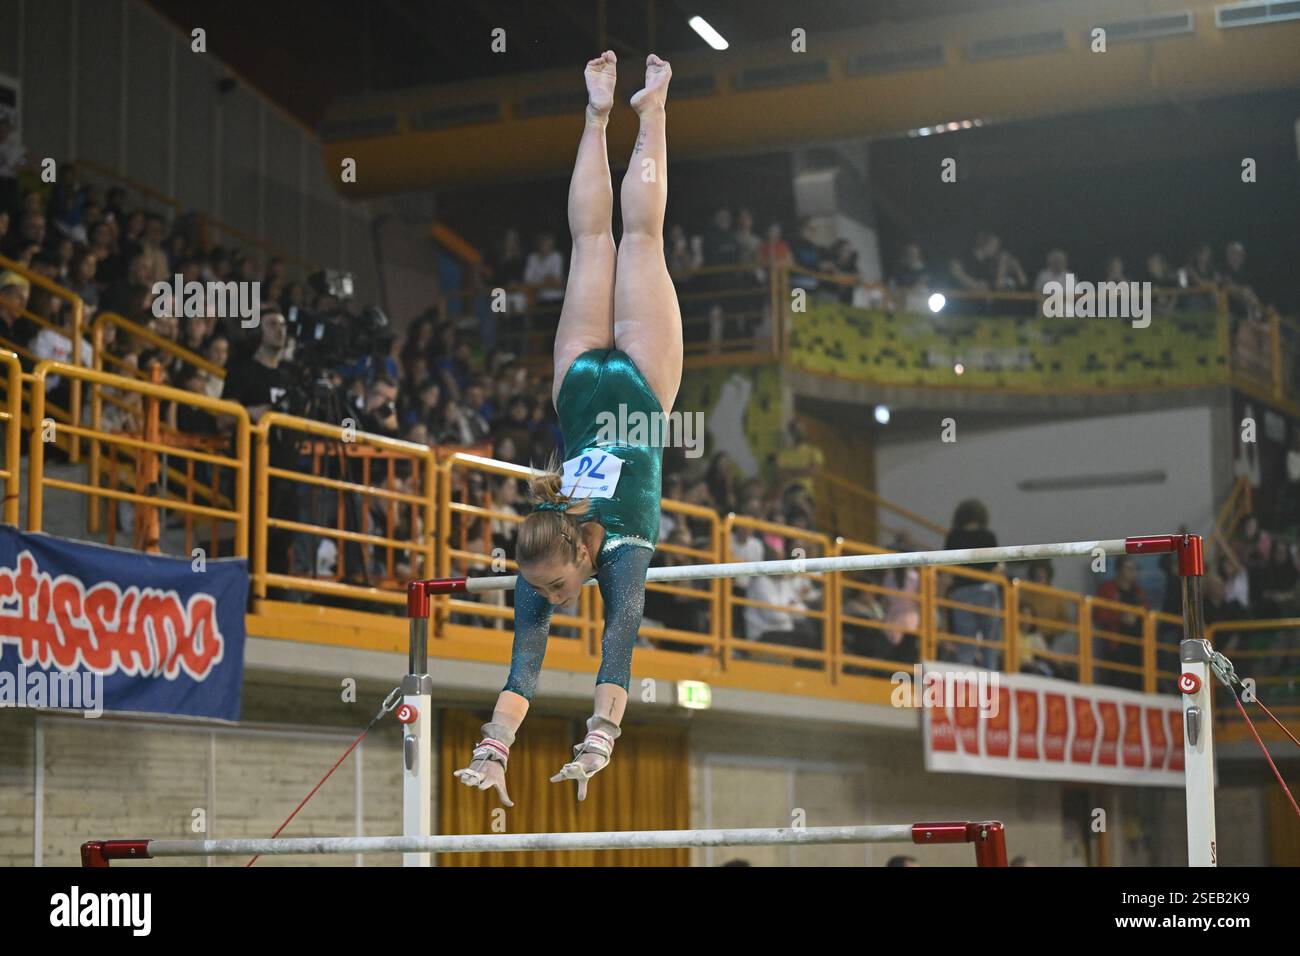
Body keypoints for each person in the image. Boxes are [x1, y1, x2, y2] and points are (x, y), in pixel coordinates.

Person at [453, 51, 682, 805]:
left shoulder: (605, 553)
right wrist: (494, 752)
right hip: (594, 387)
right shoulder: (548, 552)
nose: (551, 597)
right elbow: (528, 669)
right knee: (616, 244)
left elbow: (617, 644)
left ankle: (622, 112)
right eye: (546, 589)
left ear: (579, 551)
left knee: (617, 243)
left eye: (551, 585)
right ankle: (619, 111)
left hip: (624, 387)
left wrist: (600, 741)